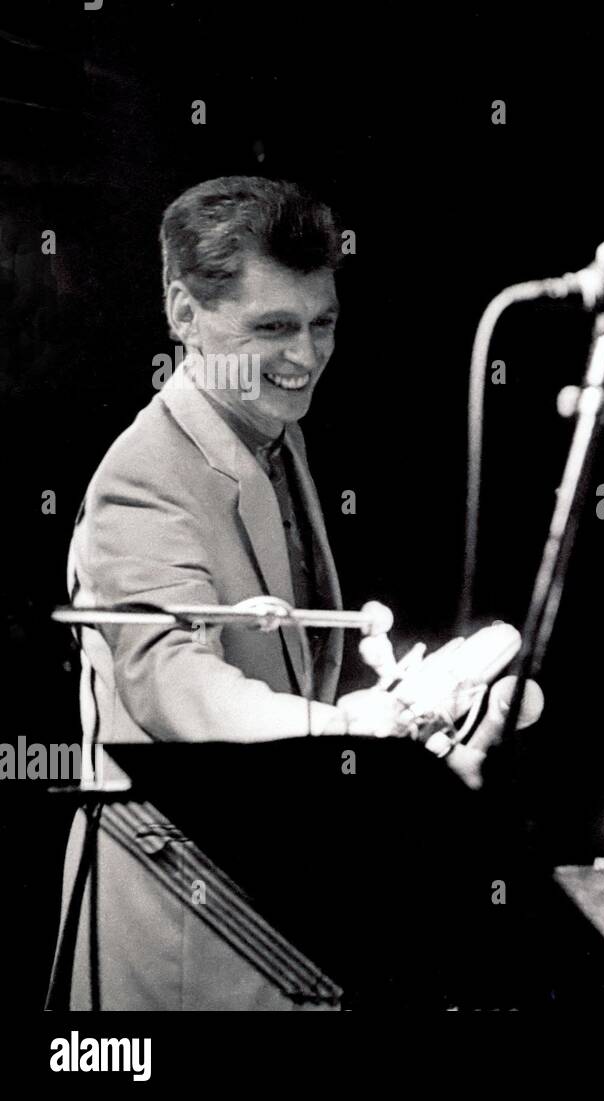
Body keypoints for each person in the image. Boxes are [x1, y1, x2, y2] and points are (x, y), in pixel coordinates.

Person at [48, 177, 534, 1009]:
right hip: (183, 948)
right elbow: (175, 688)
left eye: (323, 323)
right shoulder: (140, 478)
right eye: (272, 328)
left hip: (277, 919)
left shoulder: (275, 429)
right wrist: (354, 733)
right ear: (183, 313)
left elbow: (277, 671)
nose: (306, 357)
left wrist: (403, 707)